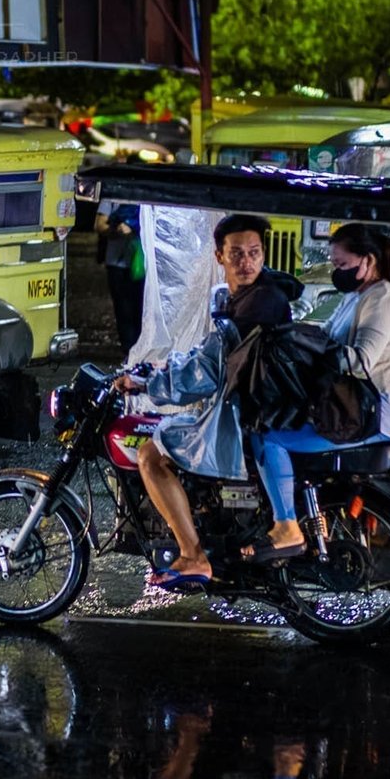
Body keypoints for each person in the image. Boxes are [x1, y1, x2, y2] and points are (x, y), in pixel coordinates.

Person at [116, 213, 292, 591]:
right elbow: (208, 354)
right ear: (219, 256)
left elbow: (207, 370)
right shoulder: (241, 297)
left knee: (150, 453)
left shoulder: (258, 303)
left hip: (247, 415)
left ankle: (193, 555)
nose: (246, 262)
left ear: (264, 255)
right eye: (237, 254)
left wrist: (150, 383)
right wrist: (164, 367)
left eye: (254, 253)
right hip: (242, 407)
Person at [243, 223, 390, 563]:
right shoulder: (358, 295)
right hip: (357, 407)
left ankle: (286, 527)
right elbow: (326, 333)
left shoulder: (381, 299)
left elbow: (361, 359)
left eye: (342, 265)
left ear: (367, 260)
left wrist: (315, 350)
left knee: (268, 437)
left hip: (378, 413)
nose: (337, 272)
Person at [97, 202, 145, 356]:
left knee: (142, 310)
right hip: (117, 264)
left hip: (141, 264)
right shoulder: (112, 195)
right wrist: (116, 230)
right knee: (123, 311)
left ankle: (141, 353)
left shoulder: (146, 192)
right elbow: (99, 224)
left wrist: (137, 227)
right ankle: (129, 353)